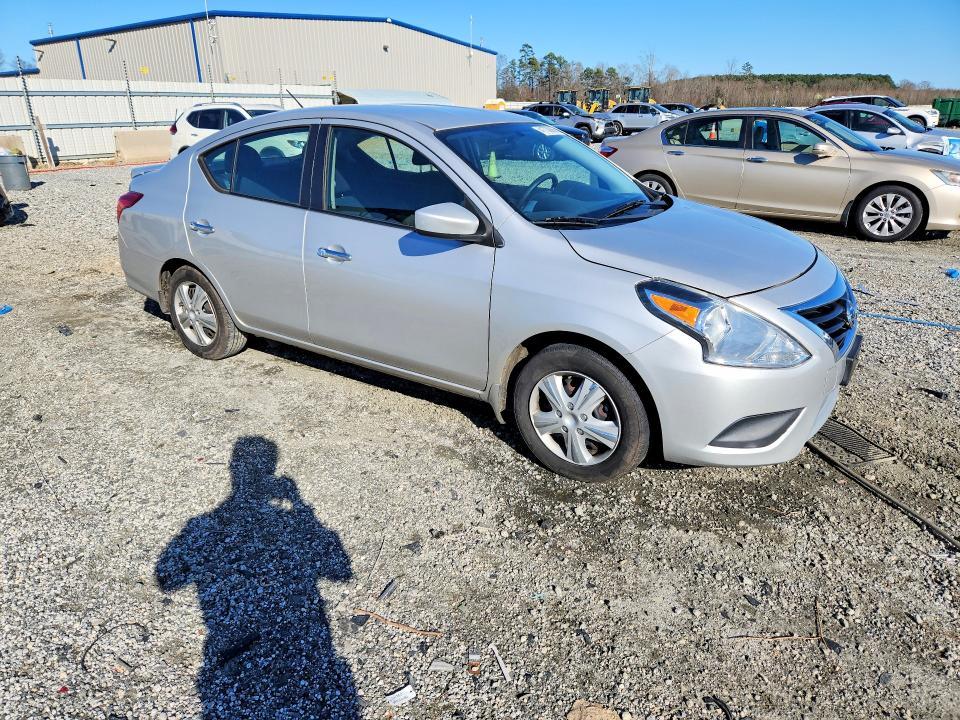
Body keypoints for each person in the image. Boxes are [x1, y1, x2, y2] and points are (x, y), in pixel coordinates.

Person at [156, 436, 360, 719]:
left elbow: (167, 577)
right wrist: (301, 508)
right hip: (303, 652)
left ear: (232, 468)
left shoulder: (203, 525)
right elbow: (340, 570)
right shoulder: (286, 520)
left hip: (232, 656)